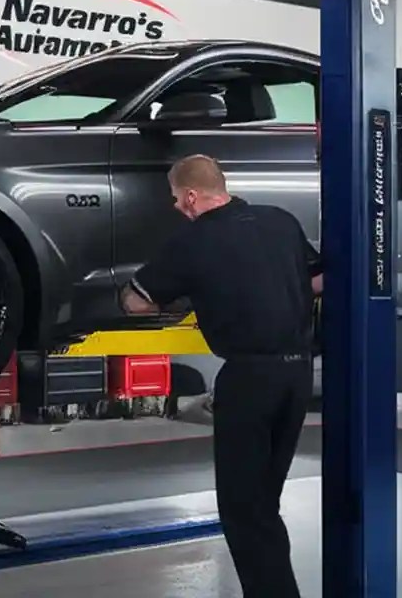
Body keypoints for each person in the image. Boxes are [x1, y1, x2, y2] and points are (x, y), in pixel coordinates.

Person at [120, 154, 322, 598]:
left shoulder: (192, 241)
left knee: (242, 509)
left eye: (176, 199)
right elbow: (319, 280)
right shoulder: (280, 221)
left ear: (191, 196)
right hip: (297, 375)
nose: (176, 207)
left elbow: (137, 302)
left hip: (249, 381)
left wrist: (187, 295)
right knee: (264, 506)